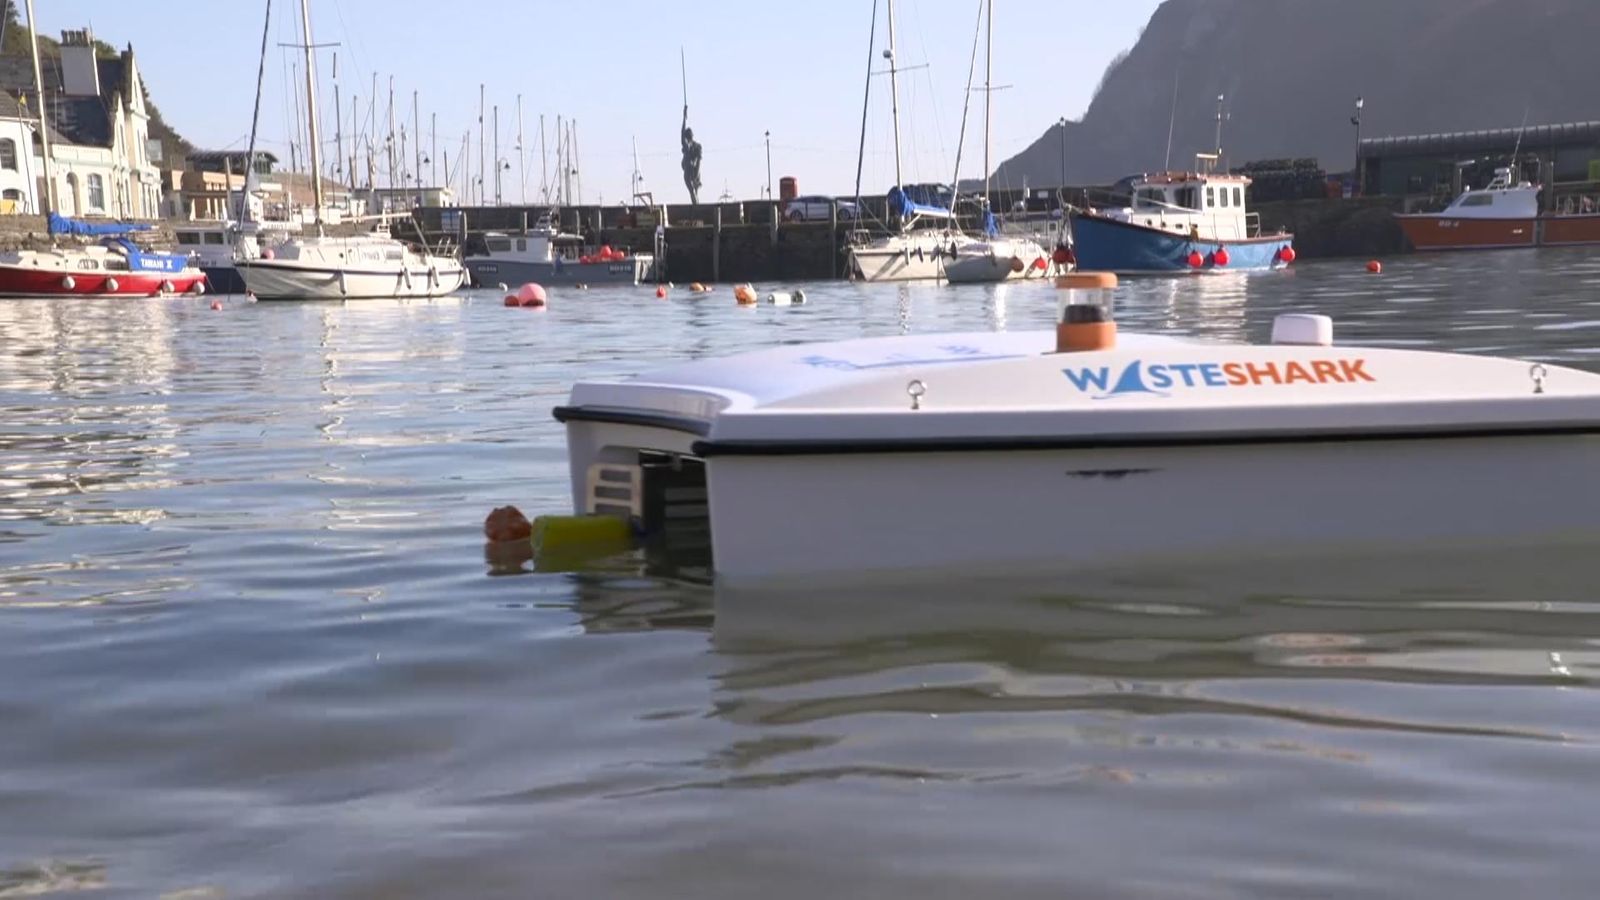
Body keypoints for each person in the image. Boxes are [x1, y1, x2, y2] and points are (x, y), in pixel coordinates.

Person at [681, 106, 702, 205]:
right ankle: (696, 205)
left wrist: (684, 117)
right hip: (690, 171)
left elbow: (698, 162)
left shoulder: (695, 146)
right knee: (693, 192)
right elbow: (682, 133)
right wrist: (684, 117)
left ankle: (697, 206)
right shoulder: (689, 146)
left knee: (693, 192)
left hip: (693, 171)